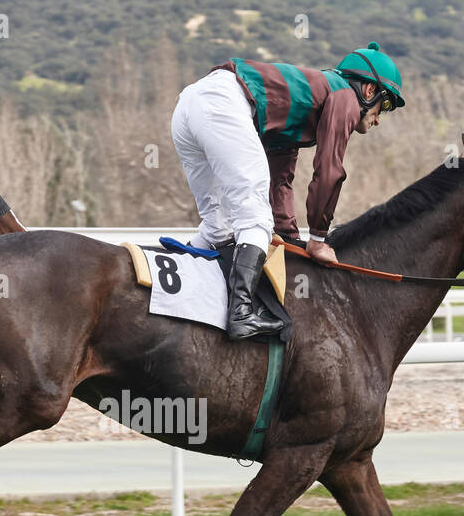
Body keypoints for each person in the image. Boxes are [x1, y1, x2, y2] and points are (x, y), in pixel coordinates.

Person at [171, 43, 404, 339]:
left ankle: (174, 289)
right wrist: (318, 239)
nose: (379, 118)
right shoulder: (345, 98)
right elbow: (329, 171)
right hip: (222, 103)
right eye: (384, 106)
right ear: (369, 91)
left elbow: (280, 177)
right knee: (255, 220)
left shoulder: (304, 102)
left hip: (189, 104)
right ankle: (240, 313)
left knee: (219, 225)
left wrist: (289, 235)